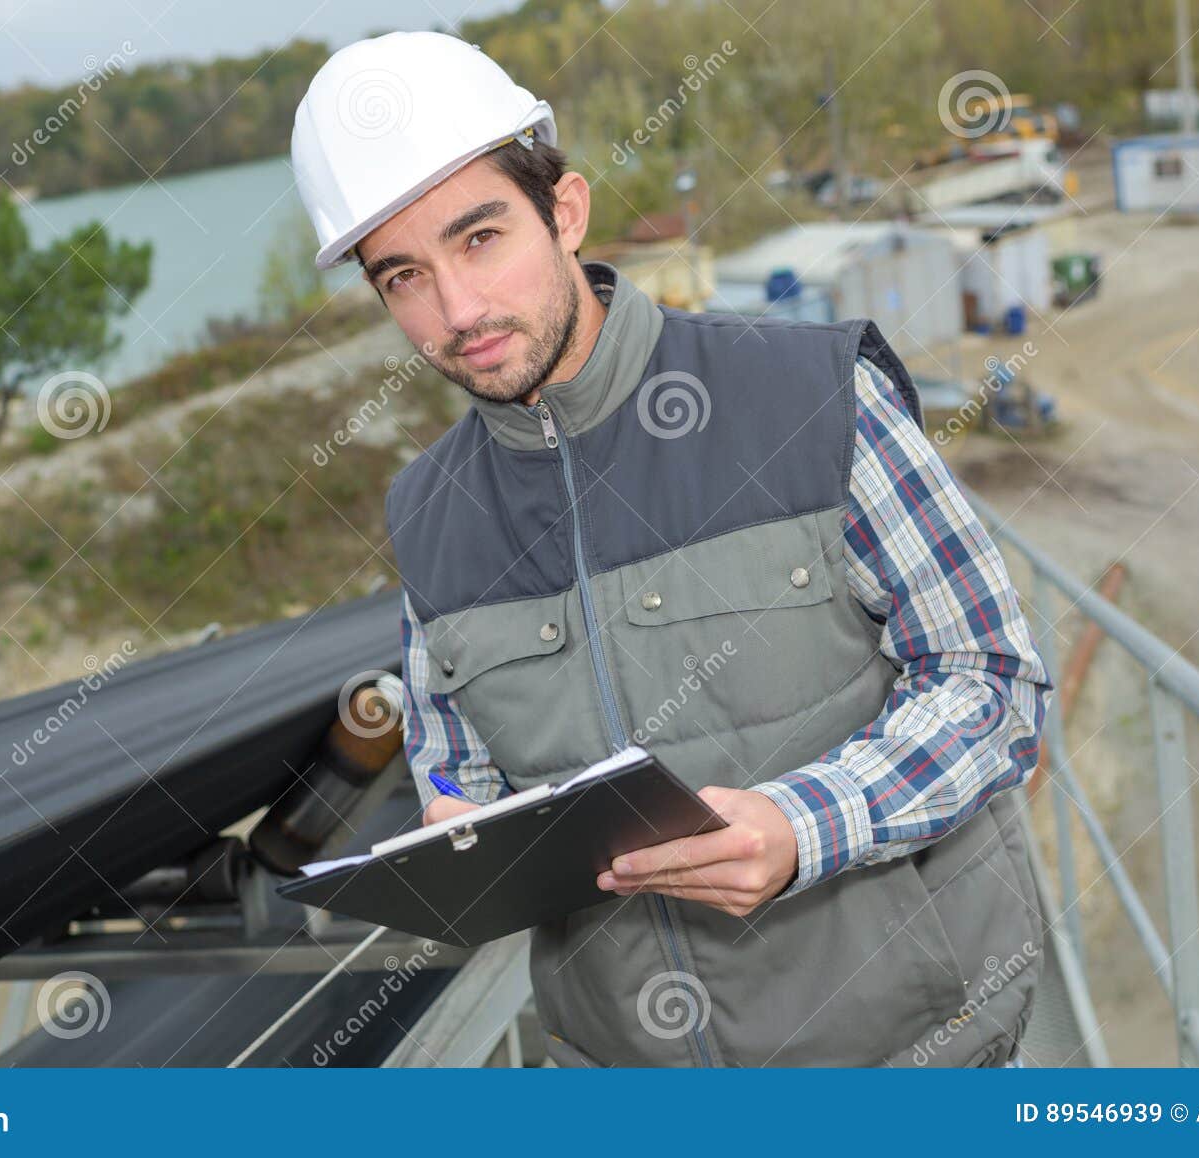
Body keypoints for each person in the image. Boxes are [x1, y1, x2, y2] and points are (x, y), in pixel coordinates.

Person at [291, 29, 1052, 1067]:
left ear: (564, 210)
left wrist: (806, 825)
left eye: (479, 240)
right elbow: (455, 770)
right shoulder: (427, 513)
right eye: (403, 278)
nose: (456, 312)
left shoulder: (809, 397)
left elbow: (991, 681)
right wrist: (458, 829)